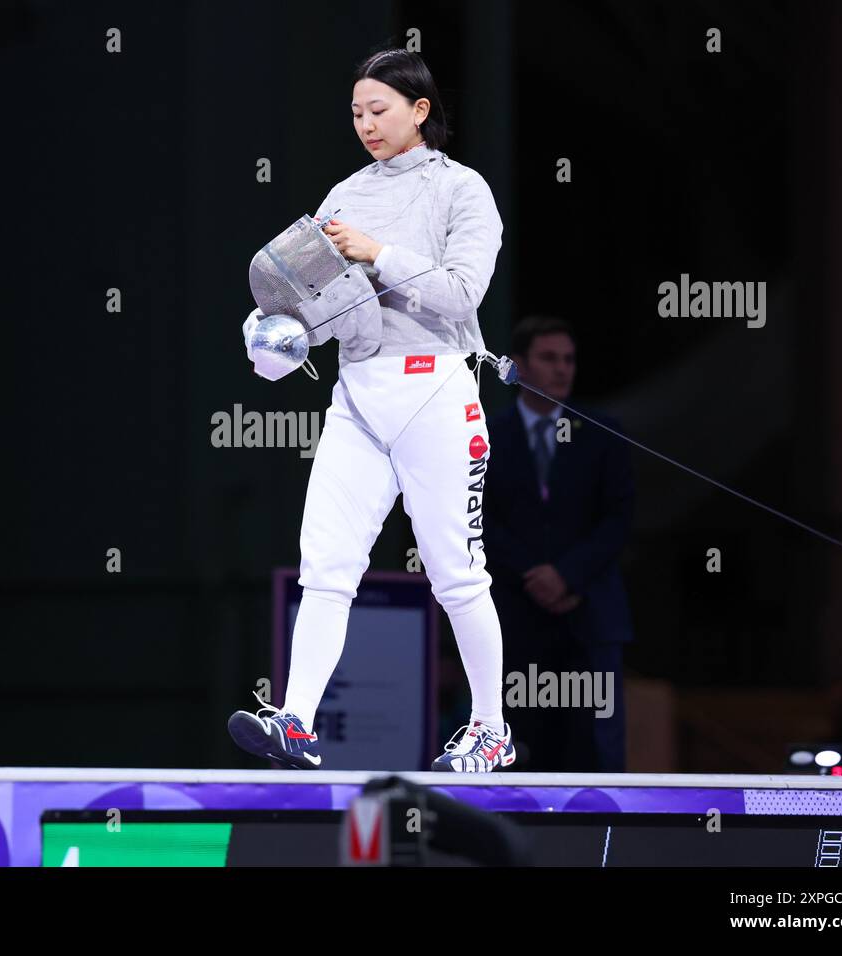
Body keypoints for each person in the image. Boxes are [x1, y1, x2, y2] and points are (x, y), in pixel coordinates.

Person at [228, 48, 512, 772]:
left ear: (420, 109)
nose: (366, 125)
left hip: (436, 390)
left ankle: (490, 728)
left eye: (379, 110)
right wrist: (278, 338)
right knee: (325, 565)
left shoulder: (463, 191)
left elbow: (460, 295)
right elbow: (321, 312)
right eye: (356, 113)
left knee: (456, 572)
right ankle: (296, 720)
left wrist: (378, 251)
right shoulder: (342, 195)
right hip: (358, 393)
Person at [481, 315, 635, 771]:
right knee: (521, 751)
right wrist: (532, 574)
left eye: (568, 359)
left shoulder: (603, 434)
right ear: (519, 365)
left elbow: (618, 518)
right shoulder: (487, 434)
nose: (562, 369)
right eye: (549, 358)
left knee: (597, 752)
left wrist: (567, 575)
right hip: (516, 616)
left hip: (589, 616)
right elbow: (477, 520)